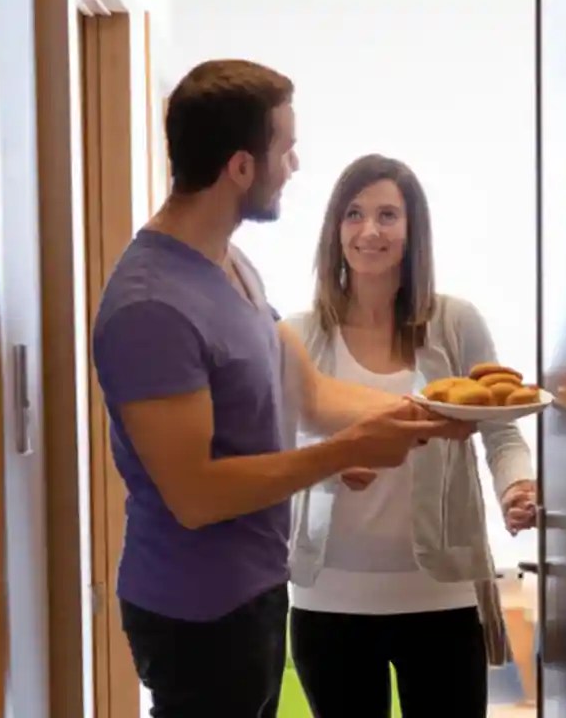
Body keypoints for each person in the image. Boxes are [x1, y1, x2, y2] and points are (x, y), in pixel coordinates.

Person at [91, 61, 473, 718]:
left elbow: (312, 394)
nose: (294, 165)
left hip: (256, 590)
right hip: (196, 611)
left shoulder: (229, 265)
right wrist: (336, 454)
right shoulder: (151, 306)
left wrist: (435, 413)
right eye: (285, 148)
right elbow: (196, 496)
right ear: (241, 166)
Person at [284, 154, 540, 718]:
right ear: (335, 230)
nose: (369, 230)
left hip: (441, 595)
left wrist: (516, 490)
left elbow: (500, 431)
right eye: (353, 214)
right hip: (330, 600)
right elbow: (273, 449)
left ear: (412, 230)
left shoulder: (455, 321)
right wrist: (327, 461)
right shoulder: (297, 334)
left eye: (387, 215)